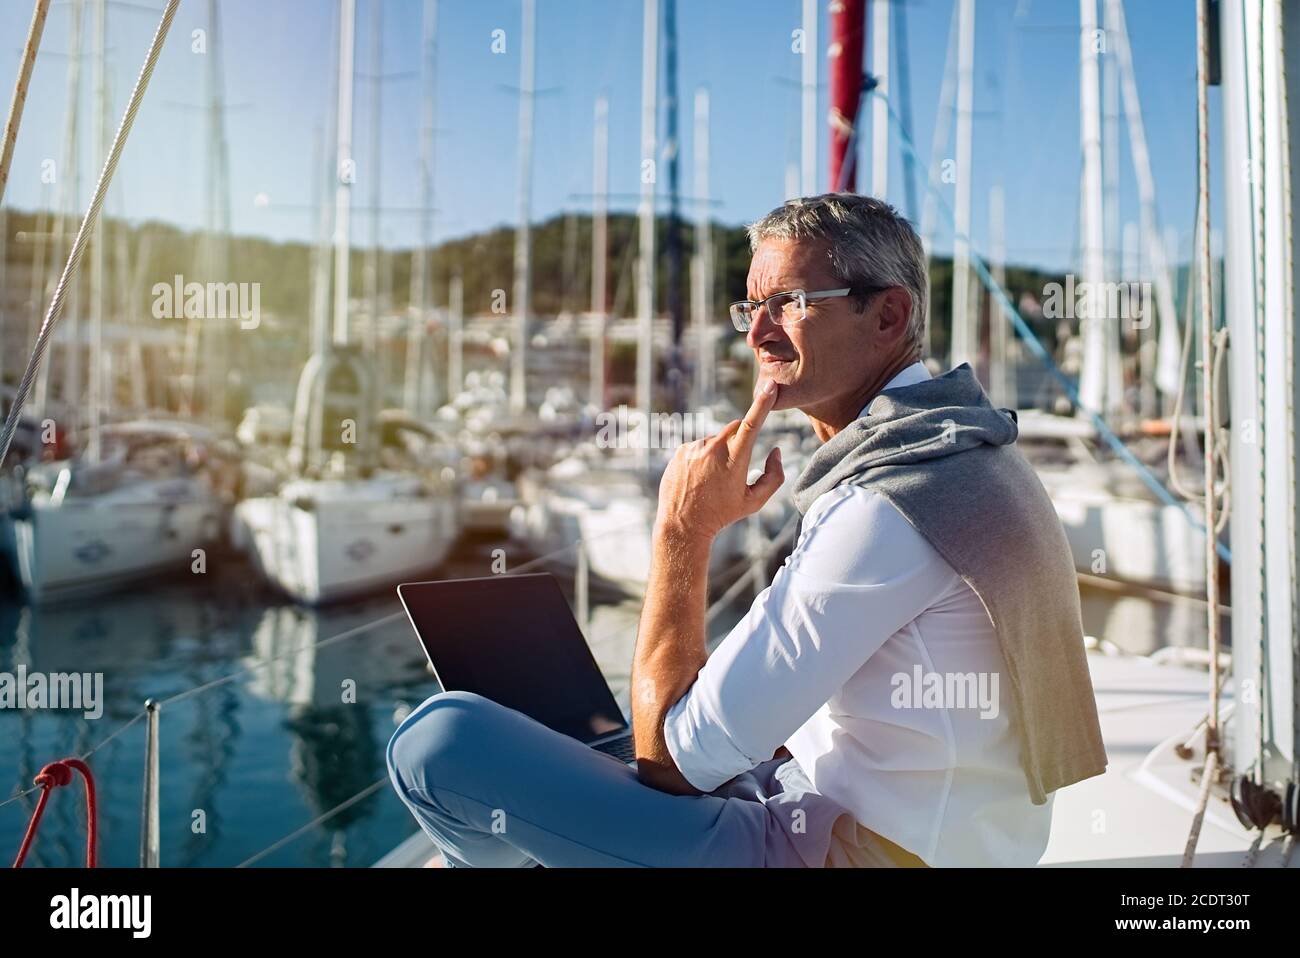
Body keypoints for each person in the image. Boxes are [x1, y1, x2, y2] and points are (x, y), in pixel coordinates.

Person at [387, 193, 1107, 867]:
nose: (757, 333)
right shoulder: (971, 451)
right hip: (925, 834)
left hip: (852, 853)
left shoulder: (891, 503)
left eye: (789, 303)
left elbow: (672, 765)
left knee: (439, 740)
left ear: (888, 317)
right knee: (592, 747)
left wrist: (682, 530)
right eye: (751, 305)